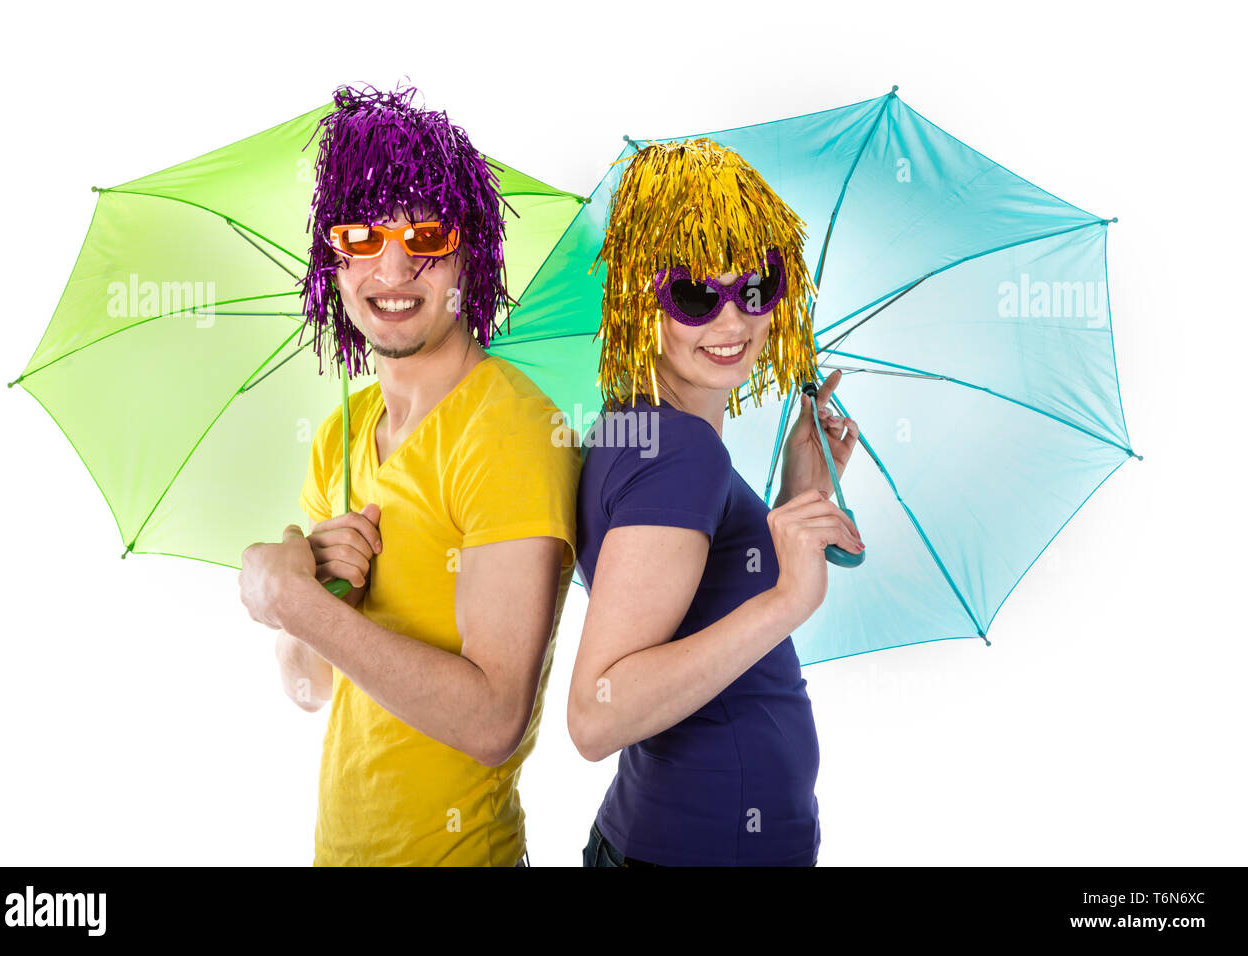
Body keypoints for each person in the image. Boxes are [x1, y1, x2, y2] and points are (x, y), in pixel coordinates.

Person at [237, 83, 580, 867]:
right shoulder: (340, 434)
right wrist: (319, 592)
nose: (392, 268)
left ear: (474, 254)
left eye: (427, 233)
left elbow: (494, 722)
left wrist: (298, 606)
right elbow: (310, 689)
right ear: (332, 256)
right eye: (361, 234)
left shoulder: (510, 428)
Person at [568, 139, 863, 866]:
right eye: (695, 294)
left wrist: (800, 491)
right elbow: (595, 716)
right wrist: (788, 601)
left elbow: (685, 602)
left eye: (756, 287)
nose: (734, 324)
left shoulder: (633, 426)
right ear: (641, 300)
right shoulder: (683, 454)